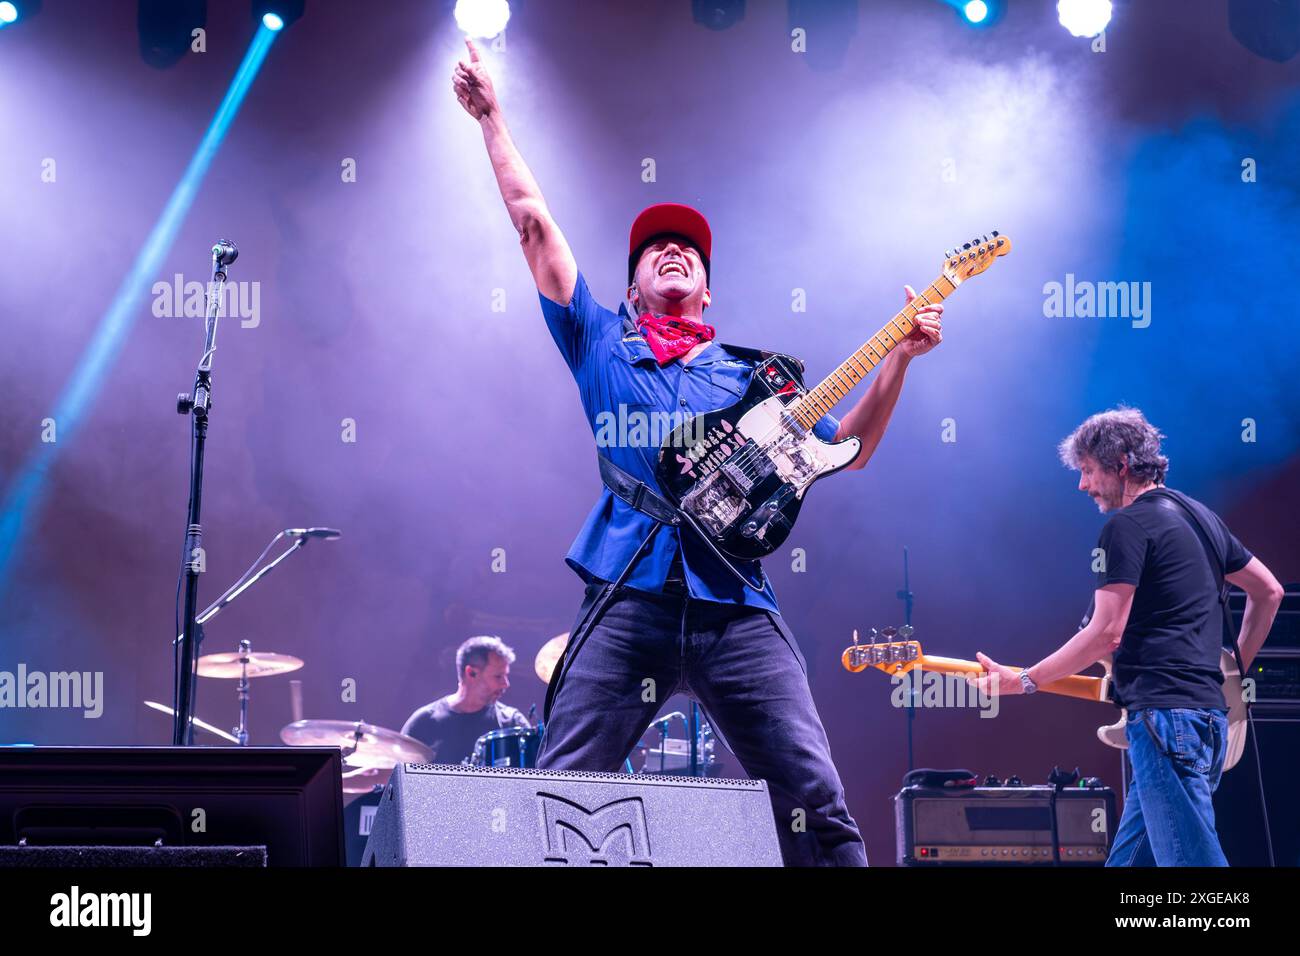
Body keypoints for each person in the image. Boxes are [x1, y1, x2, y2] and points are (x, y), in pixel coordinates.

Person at [454, 40, 945, 866]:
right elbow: (534, 221)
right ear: (633, 283)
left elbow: (849, 451)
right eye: (654, 249)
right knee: (558, 797)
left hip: (735, 604)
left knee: (818, 807)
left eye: (689, 251)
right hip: (630, 590)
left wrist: (897, 360)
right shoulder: (600, 340)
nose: (673, 251)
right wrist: (493, 117)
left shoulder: (759, 378)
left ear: (709, 289)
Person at [969, 406, 1283, 866]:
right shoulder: (1201, 517)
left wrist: (1025, 680)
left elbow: (1105, 635)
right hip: (1208, 719)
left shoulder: (1125, 526)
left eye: (1088, 471)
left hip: (1165, 722)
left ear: (1120, 465)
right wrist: (1231, 672)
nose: (1083, 485)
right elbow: (1269, 591)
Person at [401, 635, 531, 765]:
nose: (506, 684)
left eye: (506, 676)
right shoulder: (423, 723)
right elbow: (401, 777)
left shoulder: (512, 723)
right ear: (471, 673)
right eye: (498, 676)